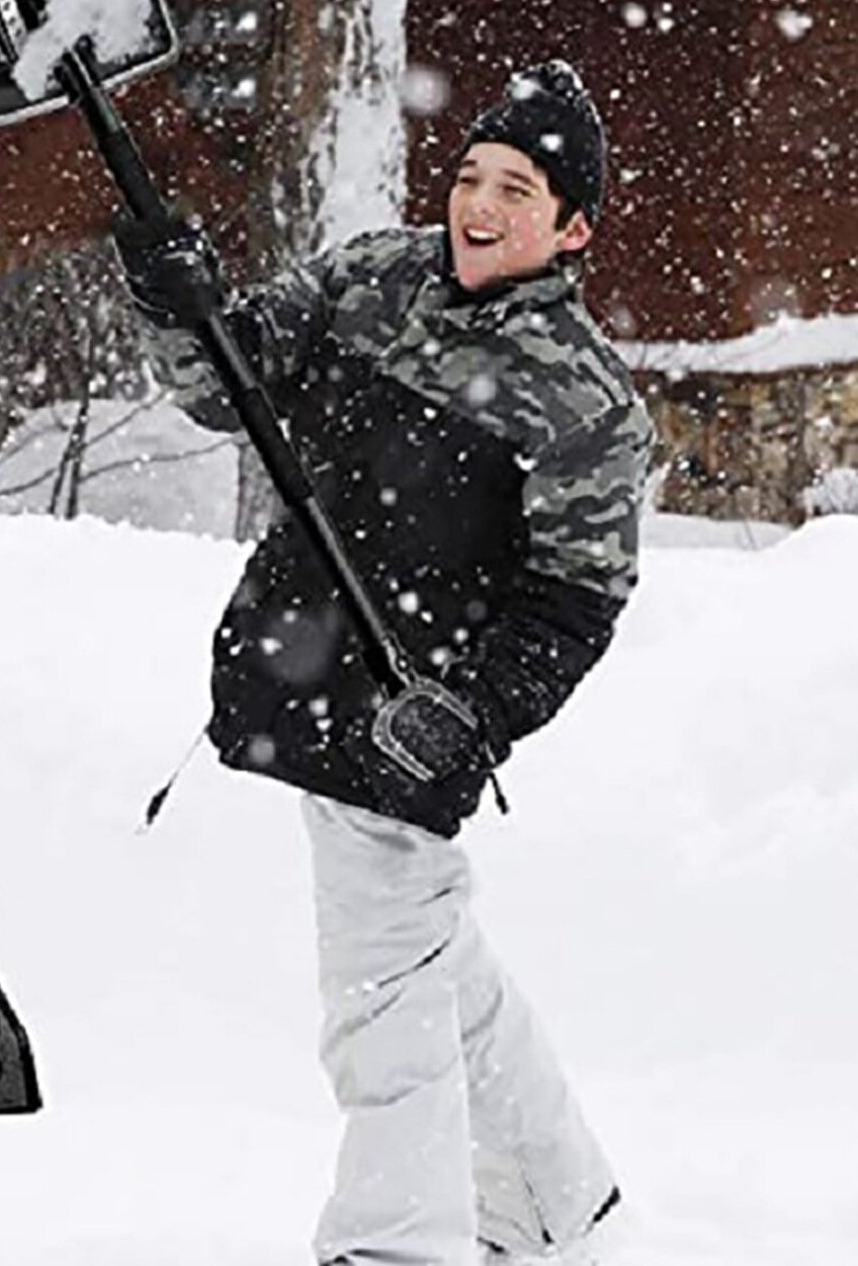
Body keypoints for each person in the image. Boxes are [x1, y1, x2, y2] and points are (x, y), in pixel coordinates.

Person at [112, 61, 652, 1266]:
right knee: (419, 954)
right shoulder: (371, 276)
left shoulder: (583, 401)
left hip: (409, 712)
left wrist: (473, 714)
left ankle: (397, 1241)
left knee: (379, 989)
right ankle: (555, 1197)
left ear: (570, 229)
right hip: (300, 667)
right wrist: (174, 298)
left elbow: (574, 600)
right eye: (471, 174)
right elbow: (229, 383)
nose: (479, 201)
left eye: (519, 188)